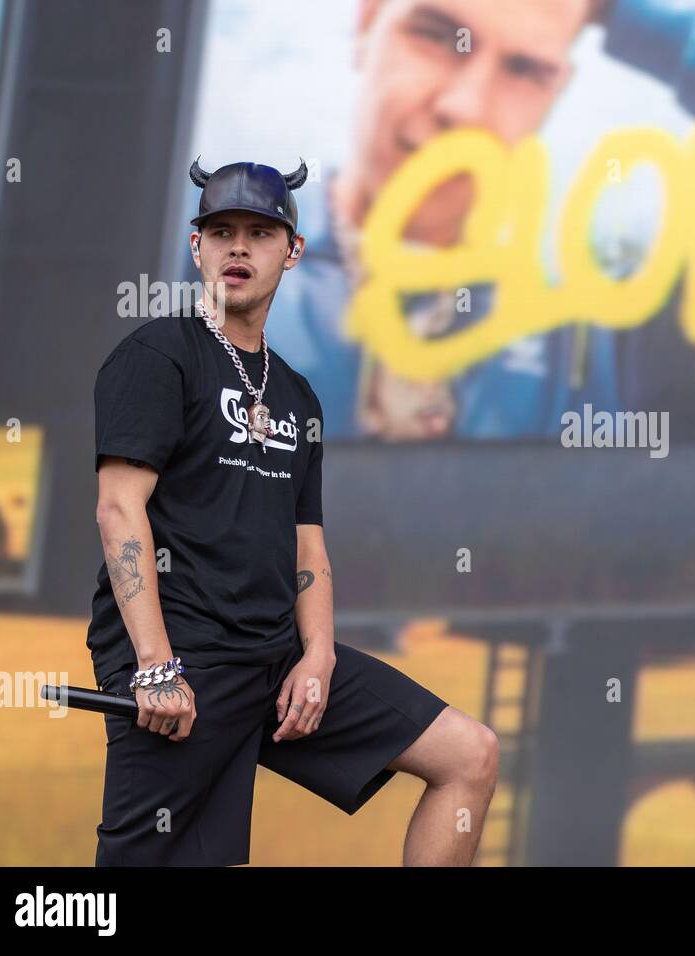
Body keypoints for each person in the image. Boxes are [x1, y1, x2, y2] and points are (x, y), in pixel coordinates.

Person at [86, 158, 498, 866]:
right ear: (197, 248)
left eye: (259, 231)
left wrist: (319, 655)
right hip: (185, 663)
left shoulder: (299, 397)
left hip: (275, 660)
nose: (238, 247)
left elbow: (308, 545)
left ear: (293, 250)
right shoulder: (159, 354)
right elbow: (120, 510)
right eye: (220, 231)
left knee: (470, 755)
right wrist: (154, 666)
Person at [267, 0, 695, 440]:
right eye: (436, 35)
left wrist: (619, 9)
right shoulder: (211, 262)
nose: (465, 108)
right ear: (367, 22)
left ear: (556, 93)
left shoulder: (576, 344)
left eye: (524, 70)